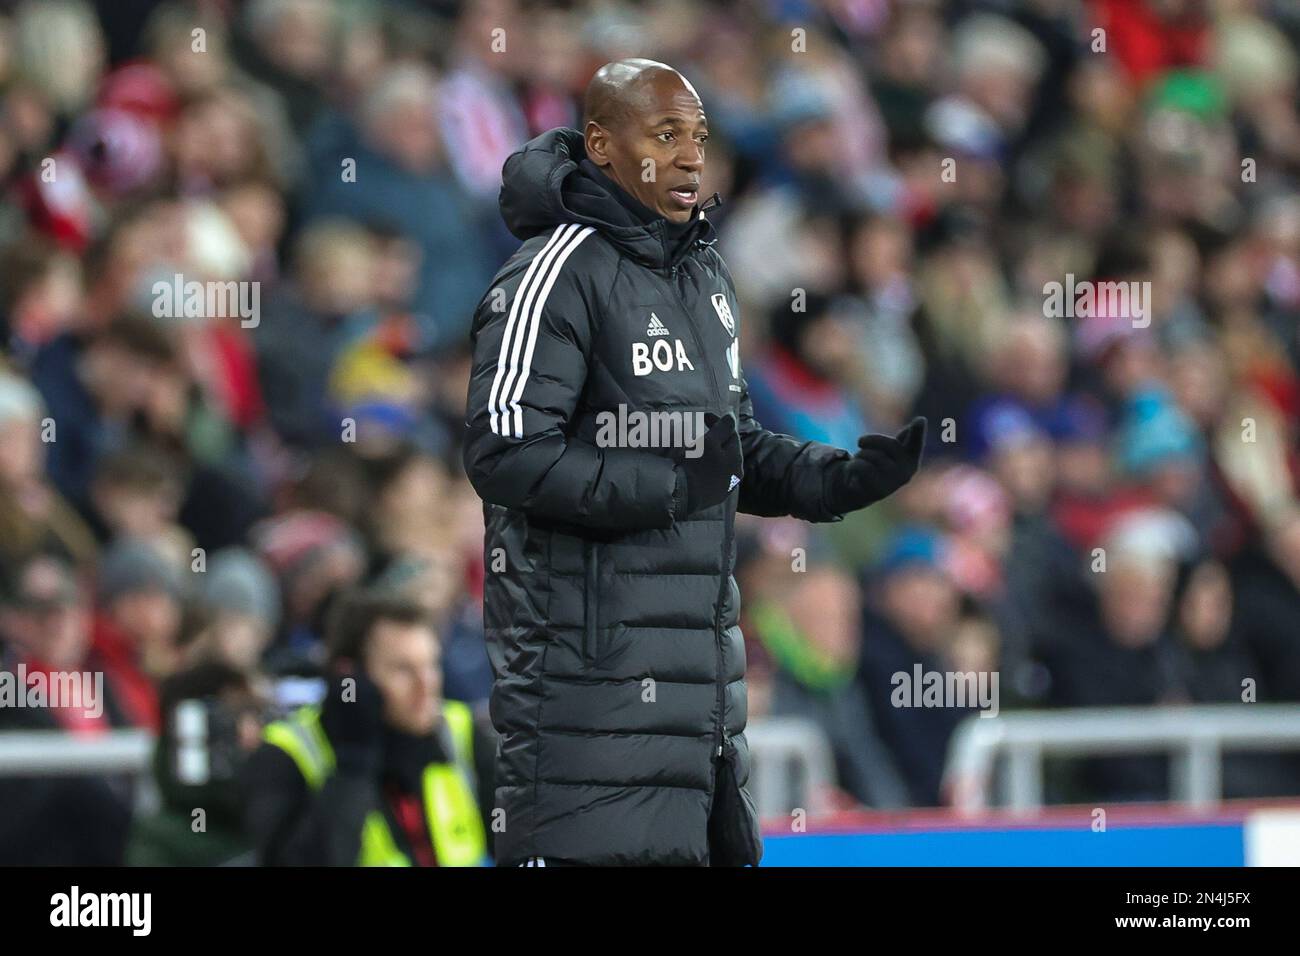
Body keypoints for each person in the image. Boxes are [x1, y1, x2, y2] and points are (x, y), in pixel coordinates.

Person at [462, 58, 926, 866]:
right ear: (602, 144)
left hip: (701, 712)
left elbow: (729, 448)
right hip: (584, 708)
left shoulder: (705, 275)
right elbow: (506, 452)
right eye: (665, 134)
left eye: (701, 138)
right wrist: (670, 487)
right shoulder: (553, 271)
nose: (689, 157)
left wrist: (834, 480)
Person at [242, 589, 492, 866]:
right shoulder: (284, 754)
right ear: (350, 676)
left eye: (432, 665)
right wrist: (352, 765)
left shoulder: (459, 731)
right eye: (404, 670)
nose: (427, 685)